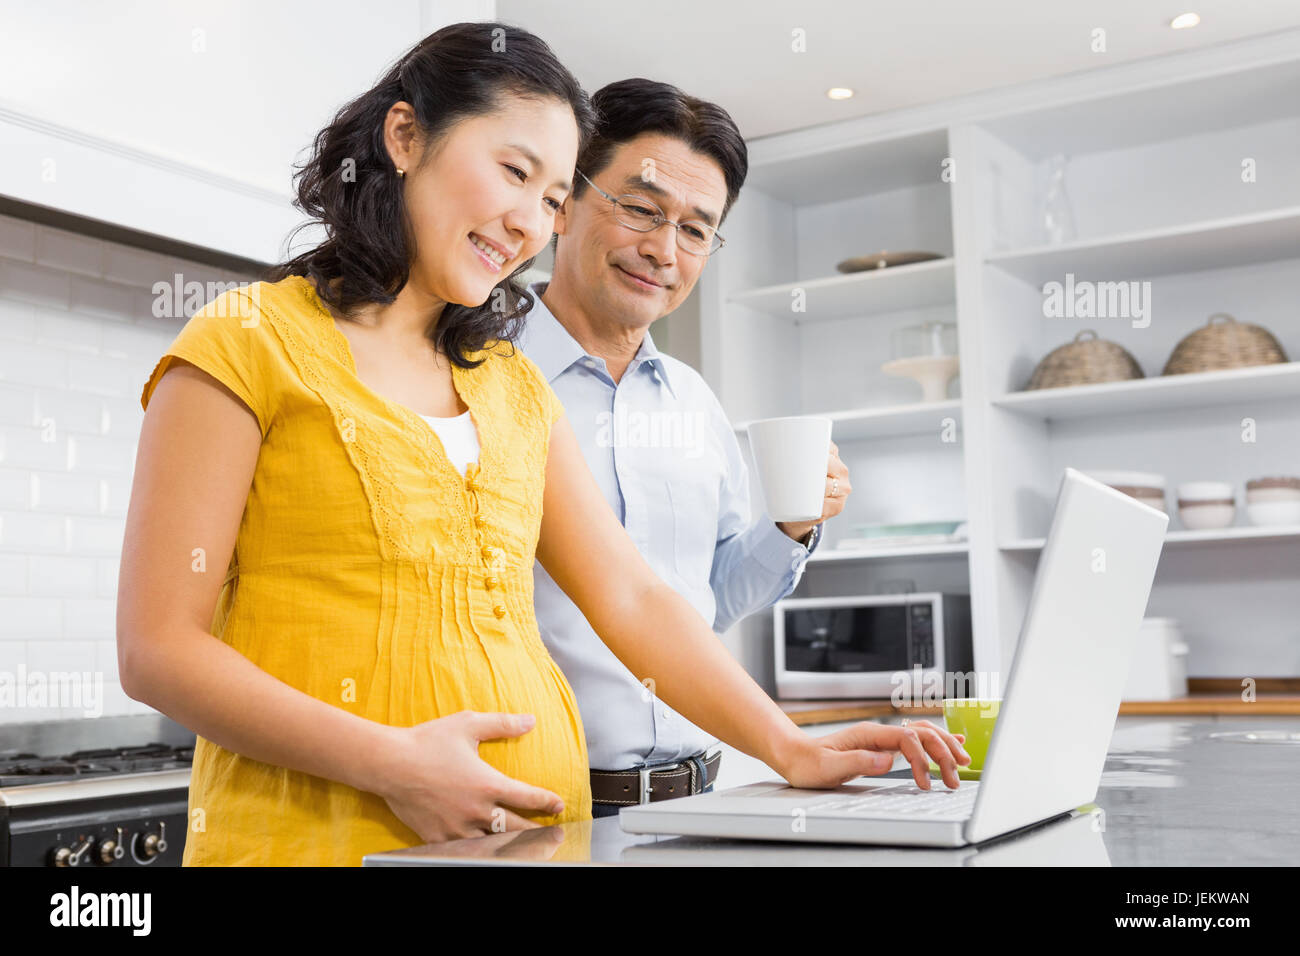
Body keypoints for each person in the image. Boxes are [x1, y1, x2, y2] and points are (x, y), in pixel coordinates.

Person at [118, 22, 969, 867]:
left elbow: (632, 601)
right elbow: (158, 649)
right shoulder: (247, 341)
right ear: (406, 136)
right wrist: (395, 765)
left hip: (533, 846)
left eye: (554, 197)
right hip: (316, 844)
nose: (529, 221)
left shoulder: (508, 384)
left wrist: (791, 747)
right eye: (514, 172)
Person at [515, 79, 858, 816]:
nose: (663, 250)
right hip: (542, 806)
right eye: (640, 208)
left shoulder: (694, 403)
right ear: (565, 202)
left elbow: (708, 602)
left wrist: (791, 529)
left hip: (696, 799)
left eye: (696, 230)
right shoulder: (481, 373)